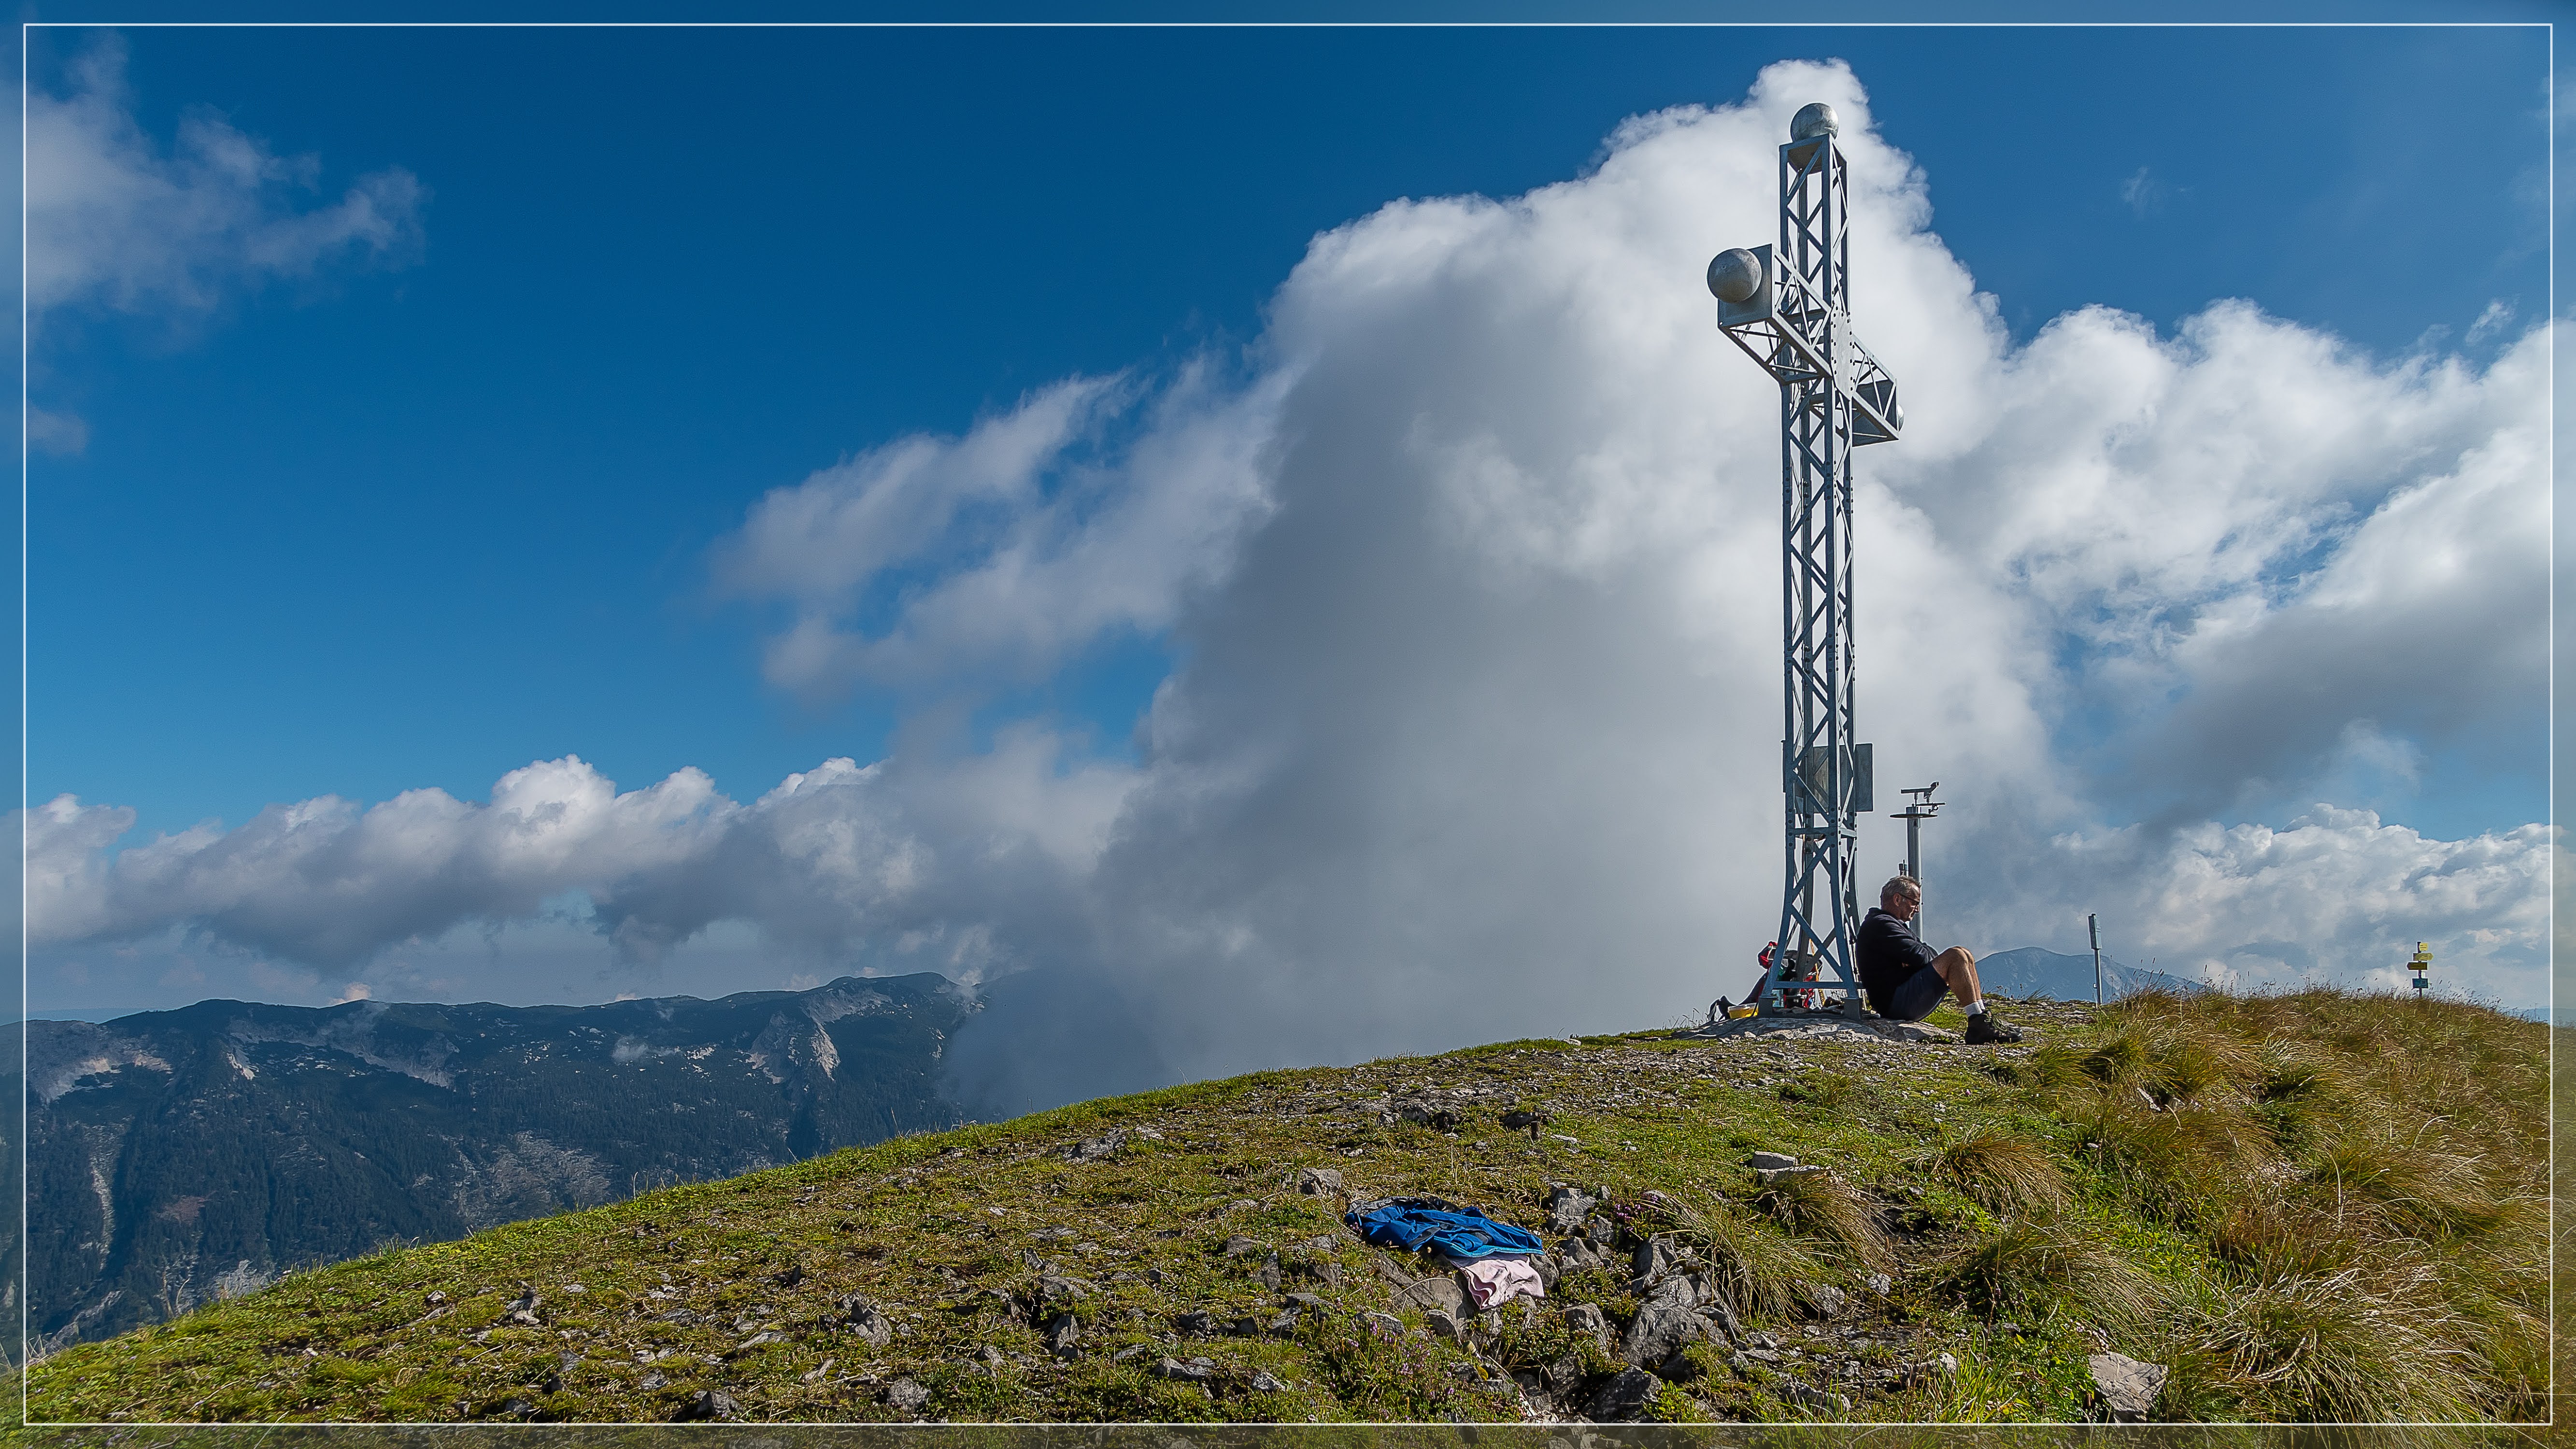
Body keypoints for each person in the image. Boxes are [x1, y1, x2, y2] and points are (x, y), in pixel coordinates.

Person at [1855, 876, 2022, 1044]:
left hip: (1900, 998)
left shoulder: (1891, 925)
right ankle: (1977, 1023)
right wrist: (1914, 960)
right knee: (1955, 956)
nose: (1917, 909)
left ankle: (1981, 1017)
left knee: (1965, 955)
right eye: (1914, 902)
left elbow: (1925, 952)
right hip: (1896, 1003)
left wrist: (1912, 960)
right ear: (1898, 899)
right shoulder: (1882, 925)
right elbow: (1923, 957)